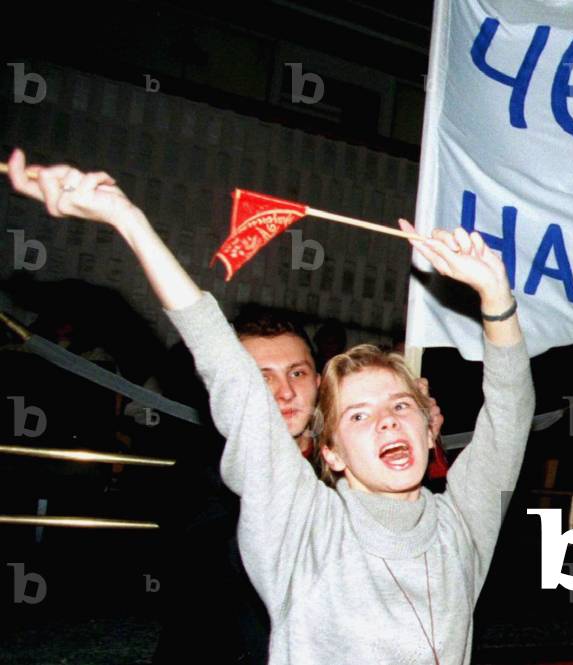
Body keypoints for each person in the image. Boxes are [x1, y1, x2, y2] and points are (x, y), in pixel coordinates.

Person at [6, 147, 534, 664]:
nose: (386, 420)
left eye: (400, 406)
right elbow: (225, 368)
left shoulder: (464, 523)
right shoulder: (302, 521)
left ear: (427, 425)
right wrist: (128, 219)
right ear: (332, 454)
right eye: (358, 415)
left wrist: (495, 295)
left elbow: (510, 409)